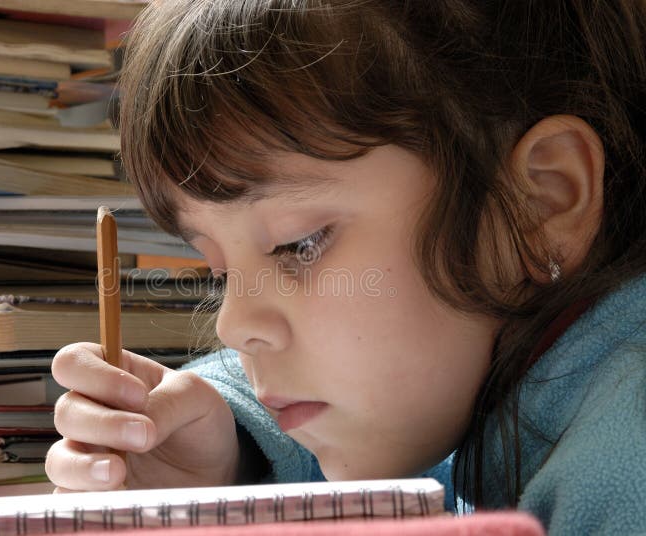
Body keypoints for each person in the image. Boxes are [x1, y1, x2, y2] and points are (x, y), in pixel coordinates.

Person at [45, 1, 646, 533]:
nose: (233, 325)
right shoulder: (496, 380)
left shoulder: (623, 467)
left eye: (299, 245)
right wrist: (231, 454)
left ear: (541, 202)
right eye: (218, 270)